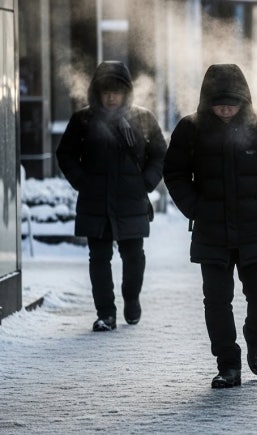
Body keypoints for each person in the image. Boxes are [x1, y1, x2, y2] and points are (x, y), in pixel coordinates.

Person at [163, 64, 257, 389]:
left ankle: (255, 338)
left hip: (256, 227)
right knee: (217, 301)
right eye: (219, 102)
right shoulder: (190, 129)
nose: (225, 108)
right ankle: (228, 364)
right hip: (212, 231)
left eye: (232, 102)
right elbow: (175, 173)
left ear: (244, 99)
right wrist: (195, 208)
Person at [56, 61, 166, 332]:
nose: (111, 97)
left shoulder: (142, 118)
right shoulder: (83, 120)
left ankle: (131, 299)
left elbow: (160, 154)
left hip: (131, 199)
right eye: (106, 91)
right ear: (97, 92)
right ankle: (105, 313)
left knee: (133, 256)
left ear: (126, 92)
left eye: (116, 91)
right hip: (96, 201)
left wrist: (146, 183)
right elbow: (65, 154)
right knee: (99, 258)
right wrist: (83, 181)